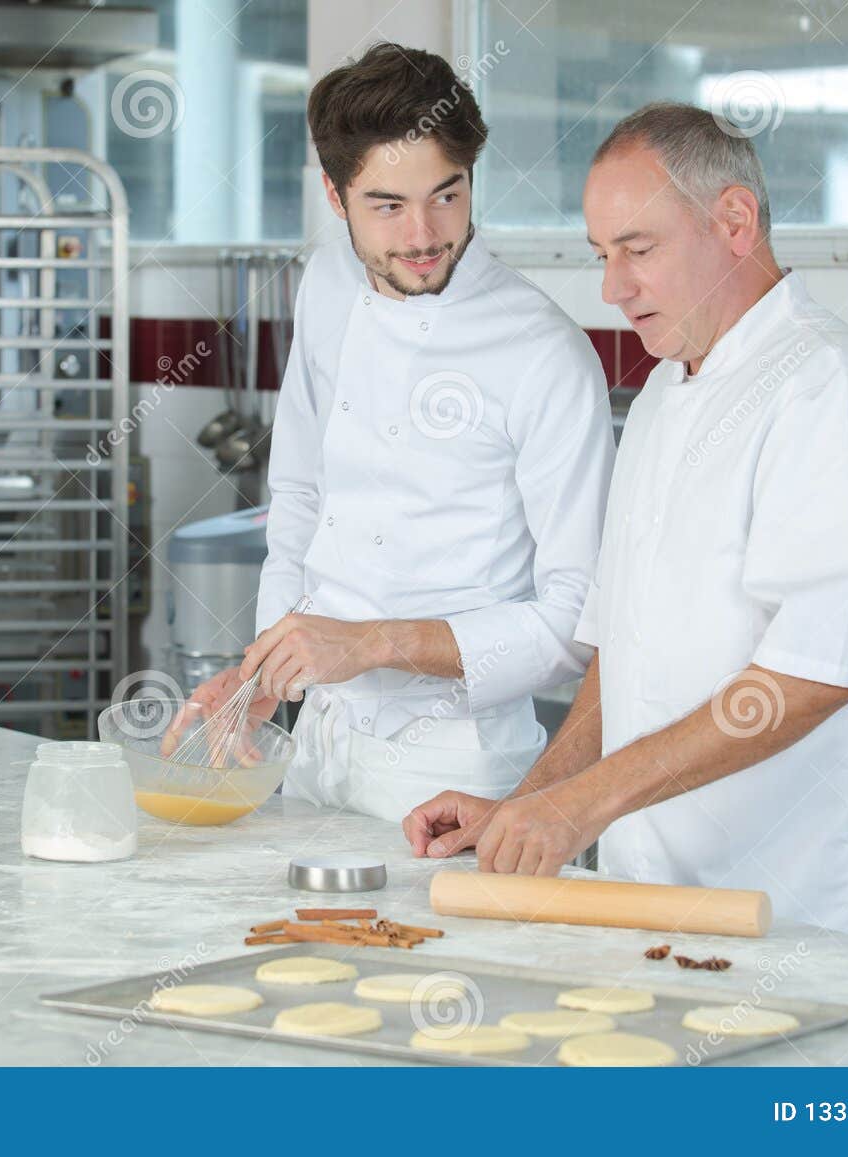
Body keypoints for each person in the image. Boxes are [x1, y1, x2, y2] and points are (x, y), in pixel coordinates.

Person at [404, 102, 848, 957]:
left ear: (734, 221)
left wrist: (588, 802)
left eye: (638, 249)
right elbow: (622, 652)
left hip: (819, 921)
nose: (612, 288)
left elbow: (813, 674)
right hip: (662, 914)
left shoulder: (835, 391)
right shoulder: (665, 395)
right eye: (602, 254)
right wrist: (529, 803)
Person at [177, 44, 614, 821]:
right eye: (386, 205)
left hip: (456, 764)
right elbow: (300, 493)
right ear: (334, 194)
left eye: (447, 195)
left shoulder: (543, 351)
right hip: (318, 743)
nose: (422, 234)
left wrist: (371, 644)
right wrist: (264, 672)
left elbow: (577, 622)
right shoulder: (327, 282)